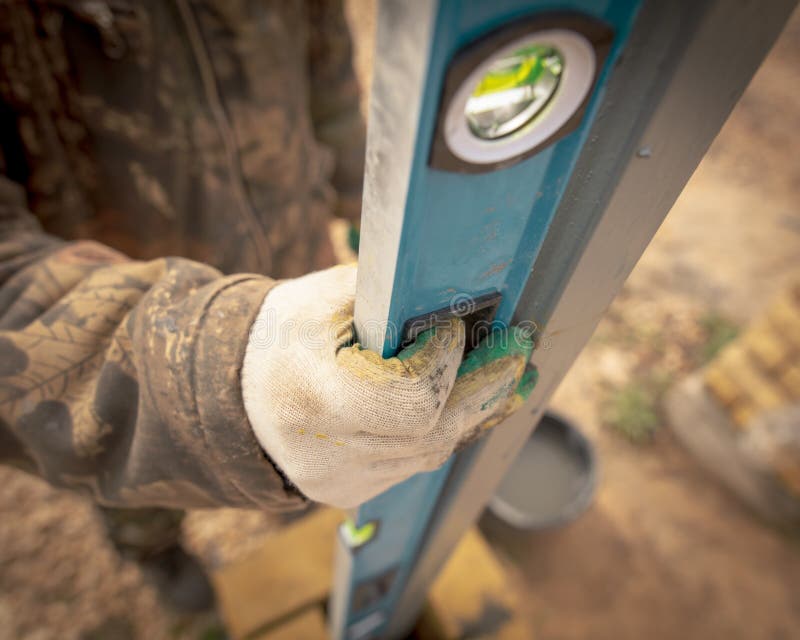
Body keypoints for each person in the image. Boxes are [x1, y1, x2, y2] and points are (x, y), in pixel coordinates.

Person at [0, 0, 534, 612]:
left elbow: (324, 61)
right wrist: (228, 378)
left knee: (323, 438)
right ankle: (157, 551)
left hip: (294, 251)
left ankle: (293, 502)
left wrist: (365, 195)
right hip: (123, 315)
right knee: (138, 475)